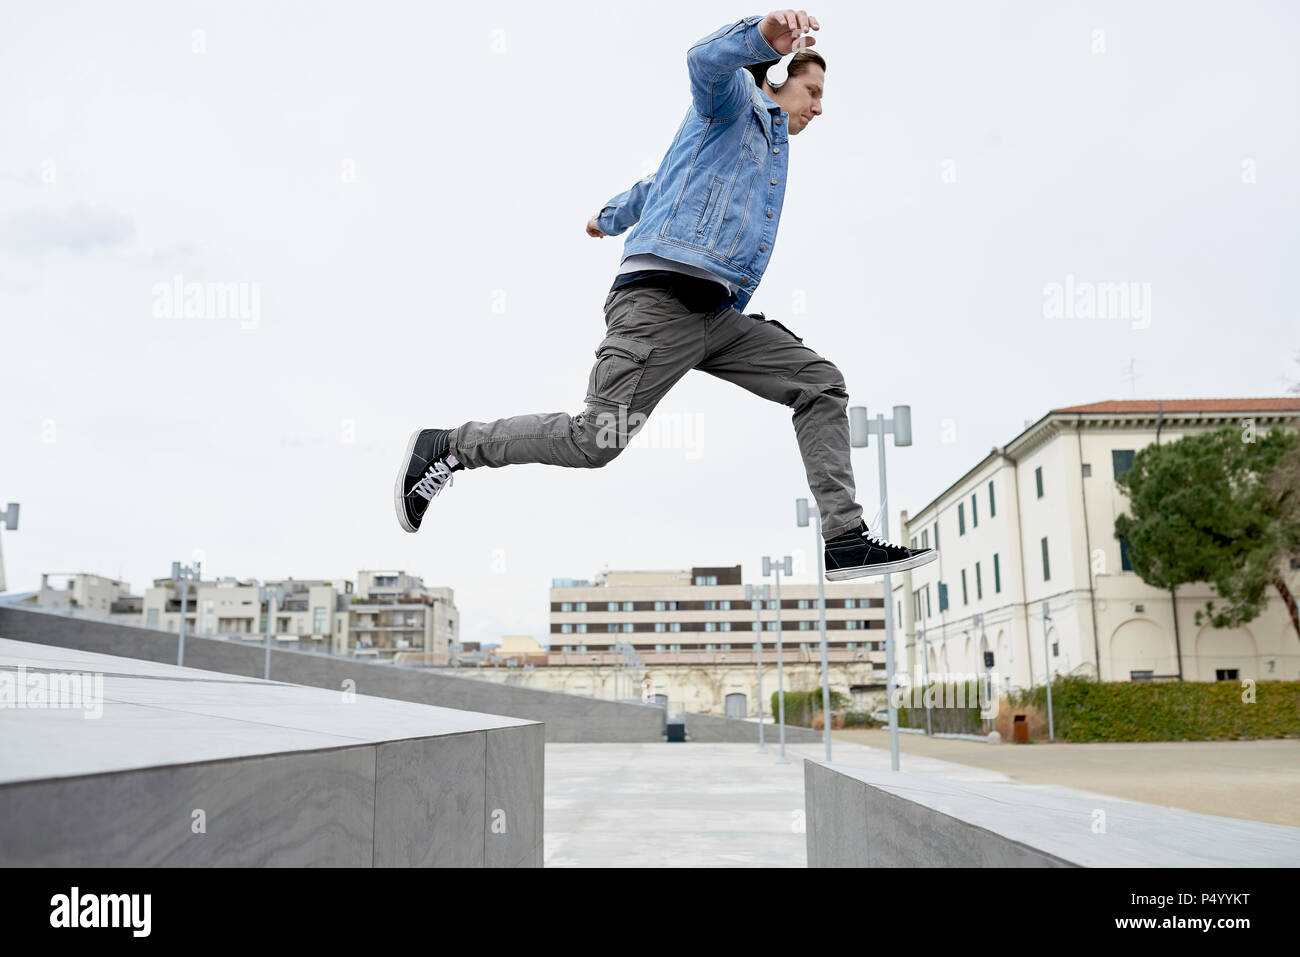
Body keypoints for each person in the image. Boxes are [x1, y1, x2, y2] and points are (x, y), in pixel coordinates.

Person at [394, 9, 937, 580]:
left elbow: (664, 181)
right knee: (595, 441)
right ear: (777, 77)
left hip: (718, 317)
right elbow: (703, 61)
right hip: (657, 304)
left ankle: (845, 539)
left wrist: (612, 216)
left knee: (819, 383)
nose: (820, 108)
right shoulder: (730, 102)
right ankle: (449, 445)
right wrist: (757, 38)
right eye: (814, 91)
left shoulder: (765, 149)